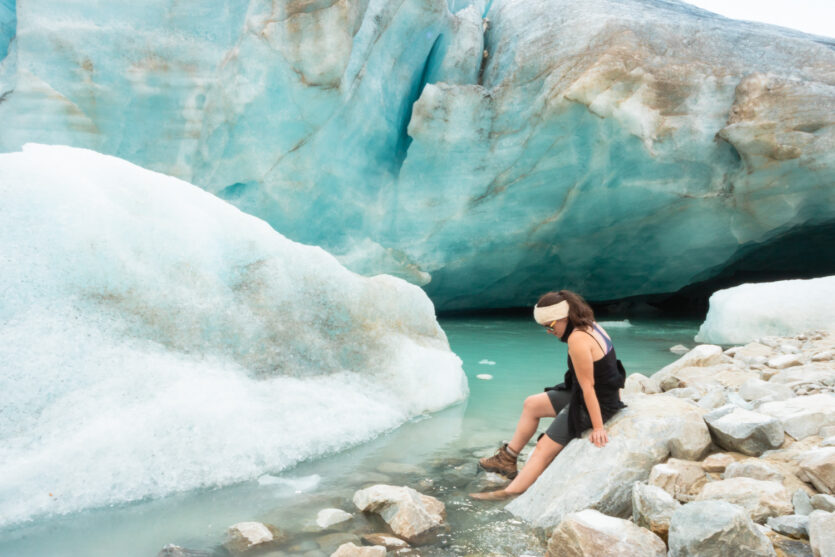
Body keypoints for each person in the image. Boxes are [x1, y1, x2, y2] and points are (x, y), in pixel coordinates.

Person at [470, 290, 627, 500]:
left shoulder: (578, 339)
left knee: (543, 447)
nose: (549, 331)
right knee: (532, 404)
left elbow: (589, 387)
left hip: (596, 402)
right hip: (589, 393)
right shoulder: (589, 325)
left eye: (550, 325)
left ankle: (511, 492)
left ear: (565, 317)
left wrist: (598, 426)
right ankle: (507, 459)